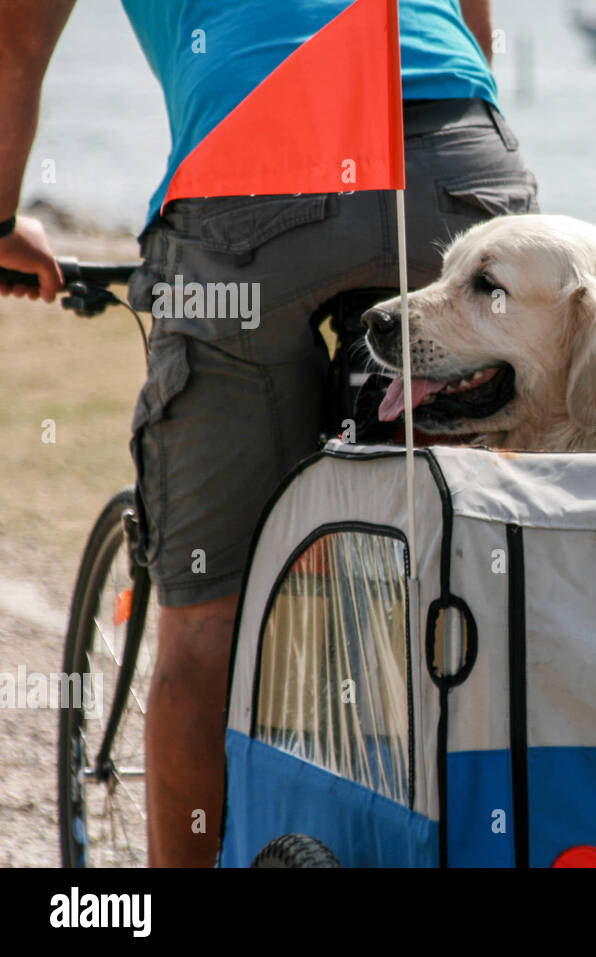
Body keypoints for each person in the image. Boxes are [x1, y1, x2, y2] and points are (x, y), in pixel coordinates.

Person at [0, 0, 538, 866]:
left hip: (251, 173)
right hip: (457, 158)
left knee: (206, 620)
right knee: (475, 574)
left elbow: (16, 40)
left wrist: (0, 224)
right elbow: (470, 23)